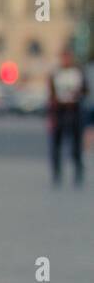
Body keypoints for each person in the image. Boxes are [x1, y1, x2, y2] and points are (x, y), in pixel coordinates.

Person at [47, 45, 87, 188]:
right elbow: (51, 95)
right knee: (56, 144)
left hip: (74, 110)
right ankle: (57, 172)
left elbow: (84, 91)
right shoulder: (55, 73)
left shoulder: (78, 72)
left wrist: (76, 95)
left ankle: (78, 170)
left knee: (76, 145)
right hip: (60, 111)